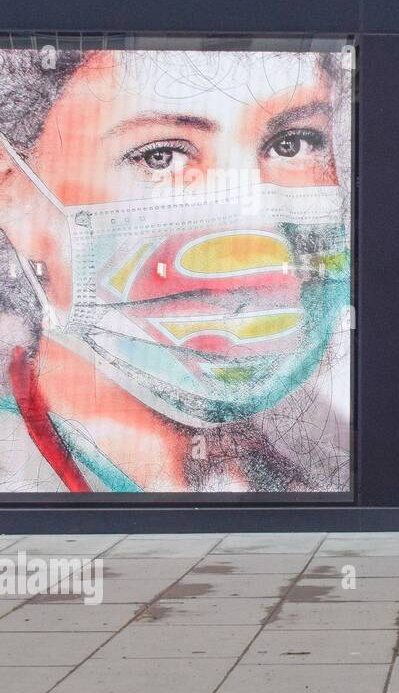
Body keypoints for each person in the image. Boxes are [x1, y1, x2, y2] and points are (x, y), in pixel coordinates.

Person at [0, 47, 352, 493]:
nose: (255, 220)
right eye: (160, 156)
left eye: (292, 143)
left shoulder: (326, 452)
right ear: (14, 194)